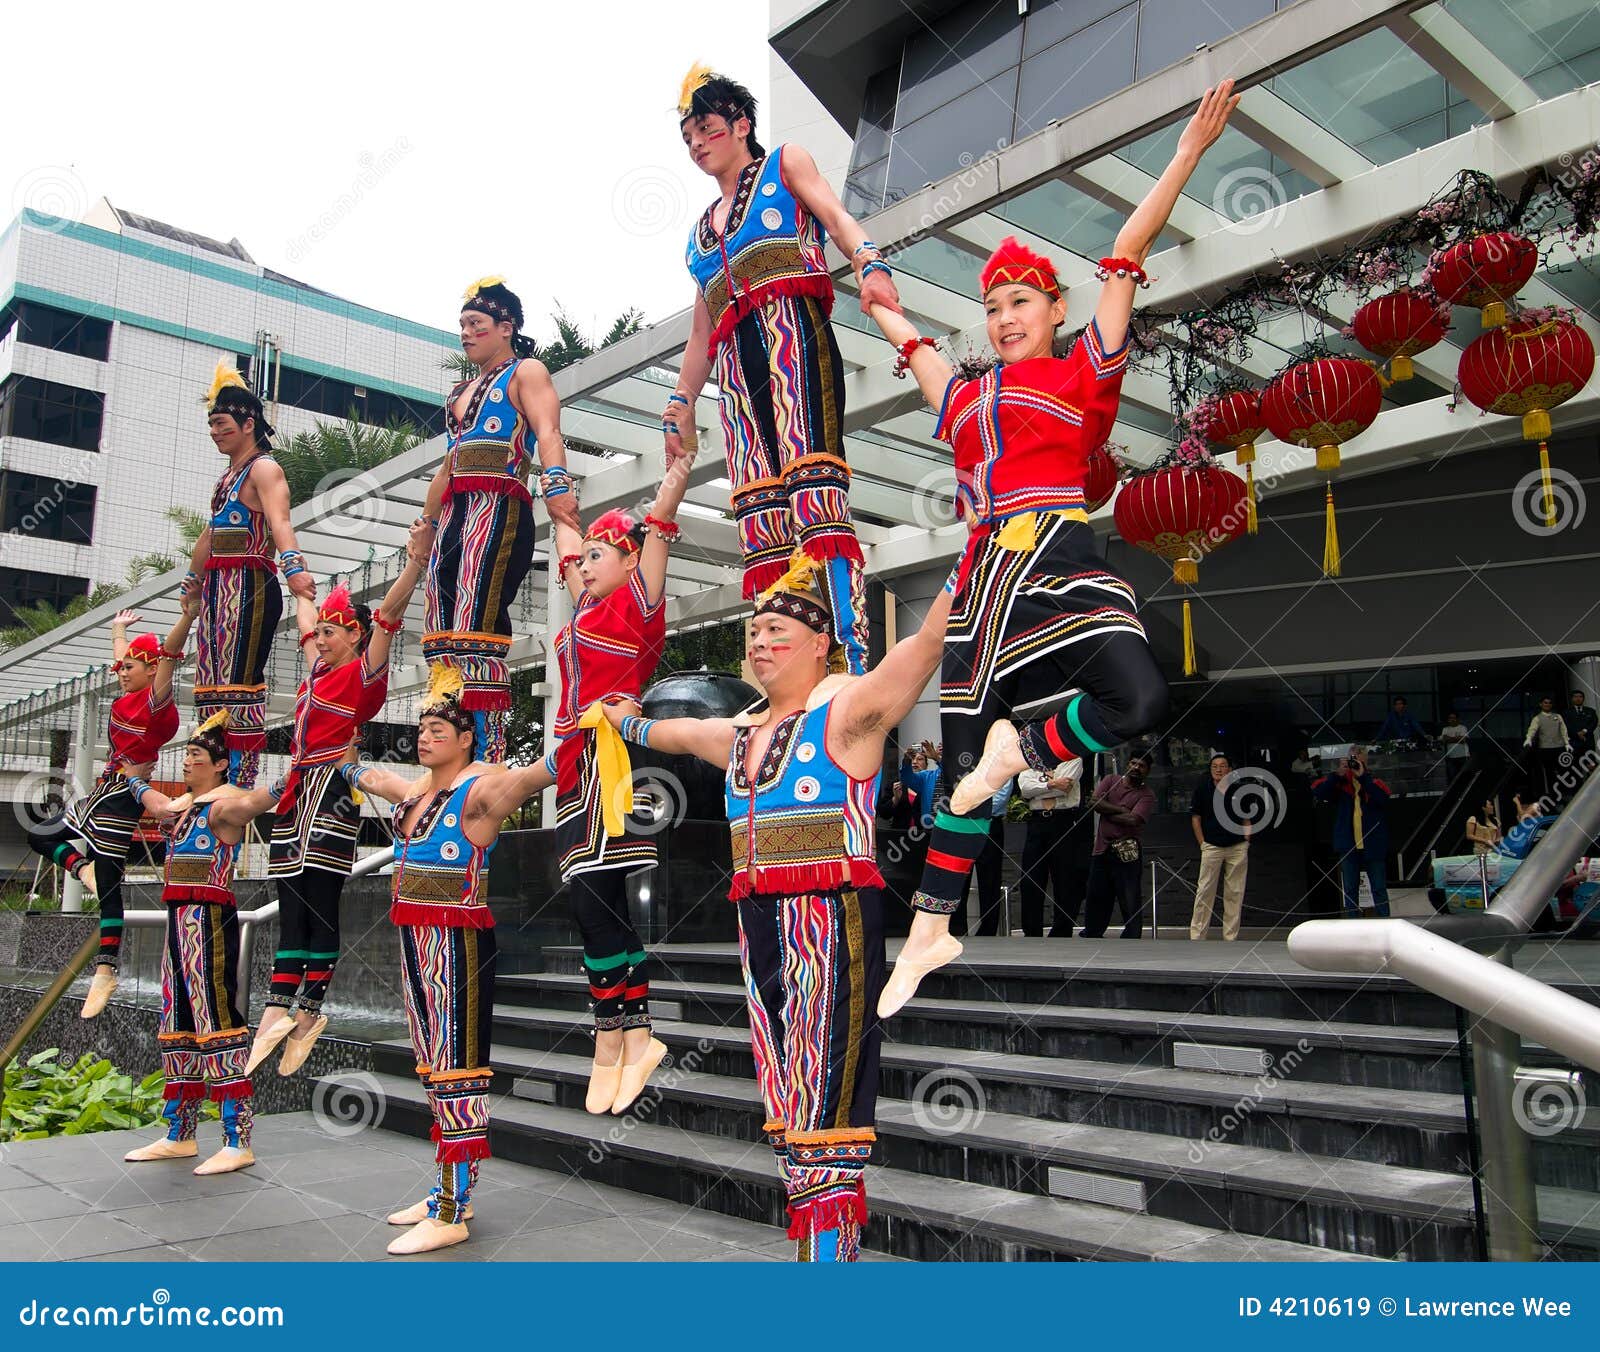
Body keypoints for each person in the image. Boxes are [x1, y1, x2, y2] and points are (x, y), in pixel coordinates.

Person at [862, 80, 1239, 1010]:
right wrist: (874, 287)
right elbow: (907, 339)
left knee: (1139, 697)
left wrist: (1184, 156)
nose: (1004, 318)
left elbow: (1128, 253)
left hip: (1063, 557)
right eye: (994, 306)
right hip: (985, 579)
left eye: (1021, 301)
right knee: (958, 779)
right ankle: (928, 931)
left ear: (1056, 308)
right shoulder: (963, 395)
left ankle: (1021, 748)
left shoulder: (1082, 373)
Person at [606, 549, 953, 1261]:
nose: (760, 644)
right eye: (754, 633)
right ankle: (817, 1250)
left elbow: (925, 644)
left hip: (830, 918)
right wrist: (623, 721)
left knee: (828, 1086)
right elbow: (672, 732)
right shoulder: (737, 734)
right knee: (786, 1084)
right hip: (760, 925)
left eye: (777, 632)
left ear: (821, 643)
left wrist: (978, 552)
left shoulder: (848, 713)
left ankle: (828, 1260)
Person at [665, 66, 902, 677]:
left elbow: (836, 216)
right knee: (762, 520)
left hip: (794, 343)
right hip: (737, 383)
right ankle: (787, 672)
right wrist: (681, 401)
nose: (697, 144)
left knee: (817, 498)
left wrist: (870, 263)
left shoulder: (783, 165)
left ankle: (849, 661)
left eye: (707, 128)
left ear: (741, 124)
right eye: (688, 137)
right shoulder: (698, 236)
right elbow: (701, 330)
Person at [341, 697, 557, 1254]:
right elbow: (375, 778)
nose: (425, 737)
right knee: (432, 1065)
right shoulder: (417, 794)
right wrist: (340, 756)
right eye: (422, 729)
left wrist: (582, 739)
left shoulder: (479, 792)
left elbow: (533, 778)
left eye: (438, 730)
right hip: (414, 939)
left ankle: (451, 1210)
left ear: (466, 740)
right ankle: (449, 1186)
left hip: (457, 942)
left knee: (457, 1069)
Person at [546, 452, 693, 1116]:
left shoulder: (638, 603)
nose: (584, 566)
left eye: (598, 555)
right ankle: (634, 1032)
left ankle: (611, 1035)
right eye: (584, 559)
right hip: (576, 763)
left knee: (594, 901)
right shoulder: (586, 606)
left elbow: (657, 532)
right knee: (598, 904)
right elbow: (565, 538)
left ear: (628, 560)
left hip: (612, 759)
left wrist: (673, 480)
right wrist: (558, 494)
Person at [250, 545, 425, 1076]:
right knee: (291, 908)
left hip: (332, 792)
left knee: (321, 906)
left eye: (331, 632)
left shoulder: (362, 677)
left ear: (355, 635)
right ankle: (276, 1009)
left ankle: (309, 1012)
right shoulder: (317, 675)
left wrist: (415, 563)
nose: (319, 639)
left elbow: (389, 613)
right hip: (296, 793)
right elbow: (306, 622)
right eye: (319, 633)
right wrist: (298, 584)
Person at [412, 278, 581, 762]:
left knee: (476, 631)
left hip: (499, 506)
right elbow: (447, 464)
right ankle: (447, 752)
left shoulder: (526, 371)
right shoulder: (459, 392)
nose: (466, 333)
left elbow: (548, 431)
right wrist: (426, 523)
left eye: (476, 324)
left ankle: (486, 760)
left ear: (505, 328)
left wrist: (557, 485)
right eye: (463, 325)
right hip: (454, 513)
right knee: (440, 633)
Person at [116, 711, 285, 1174]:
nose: (187, 762)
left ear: (220, 764)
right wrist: (132, 778)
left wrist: (294, 773)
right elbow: (153, 801)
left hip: (208, 920)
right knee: (178, 1022)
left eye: (195, 755)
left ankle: (237, 1138)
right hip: (178, 919)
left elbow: (252, 805)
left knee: (217, 1020)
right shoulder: (185, 806)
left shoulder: (221, 806)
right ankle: (180, 1133)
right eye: (187, 754)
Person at [25, 606, 193, 1016]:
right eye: (121, 667)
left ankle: (105, 969)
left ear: (151, 670)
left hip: (124, 796)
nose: (121, 672)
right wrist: (118, 629)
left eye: (130, 667)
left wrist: (187, 618)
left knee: (109, 884)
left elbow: (170, 655)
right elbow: (123, 656)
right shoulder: (129, 694)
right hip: (104, 789)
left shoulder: (155, 703)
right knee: (40, 834)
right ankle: (82, 870)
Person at [181, 362, 314, 787]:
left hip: (249, 584)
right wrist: (192, 581)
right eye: (211, 424)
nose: (214, 432)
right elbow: (210, 533)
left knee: (239, 686)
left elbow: (281, 522)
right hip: (218, 589)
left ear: (248, 424)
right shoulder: (227, 477)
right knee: (210, 688)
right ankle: (211, 780)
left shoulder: (264, 469)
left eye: (221, 424)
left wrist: (294, 569)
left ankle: (239, 783)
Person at [1080, 753, 1157, 938]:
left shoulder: (1147, 794)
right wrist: (1121, 810)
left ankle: (1132, 935)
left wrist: (1106, 811)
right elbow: (1094, 802)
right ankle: (1093, 932)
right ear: (1127, 764)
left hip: (1127, 851)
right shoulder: (1110, 780)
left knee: (1129, 895)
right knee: (1097, 893)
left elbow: (1133, 820)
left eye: (1141, 765)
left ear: (1147, 771)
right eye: (1133, 763)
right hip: (1102, 848)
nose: (1136, 768)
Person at [1312, 745, 1392, 918]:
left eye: (1357, 759)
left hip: (1373, 844)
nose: (1354, 763)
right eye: (1352, 759)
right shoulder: (1341, 784)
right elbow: (1319, 792)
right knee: (1349, 889)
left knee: (1378, 887)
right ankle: (1352, 923)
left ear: (1365, 761)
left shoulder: (1374, 782)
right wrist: (1337, 774)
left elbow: (1383, 800)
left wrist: (1363, 777)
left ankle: (1385, 921)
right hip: (1348, 845)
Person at [1018, 762, 1086, 937]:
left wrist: (1039, 788)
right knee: (1031, 878)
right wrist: (1053, 784)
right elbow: (1025, 790)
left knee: (1064, 878)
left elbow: (1065, 788)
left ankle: (1061, 930)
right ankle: (1031, 931)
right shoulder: (1031, 760)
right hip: (1037, 821)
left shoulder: (1073, 758)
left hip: (1063, 820)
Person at [1188, 754, 1249, 941]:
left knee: (1235, 892)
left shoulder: (1239, 790)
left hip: (1237, 845)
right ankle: (1197, 936)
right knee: (1205, 890)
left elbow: (1246, 817)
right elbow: (1195, 818)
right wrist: (1202, 843)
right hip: (1211, 846)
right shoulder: (1202, 790)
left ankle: (1230, 936)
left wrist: (1246, 839)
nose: (1218, 769)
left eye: (1222, 766)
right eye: (1215, 766)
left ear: (1229, 769)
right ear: (1210, 769)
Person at [957, 783, 1010, 938]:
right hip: (965, 825)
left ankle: (988, 930)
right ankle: (958, 928)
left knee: (990, 880)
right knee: (960, 879)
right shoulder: (965, 769)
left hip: (990, 824)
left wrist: (971, 806)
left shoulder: (1002, 769)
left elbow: (1000, 799)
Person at [1524, 696, 1572, 806]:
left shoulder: (1558, 716)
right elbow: (1532, 729)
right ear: (1541, 704)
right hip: (1545, 749)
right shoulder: (1537, 718)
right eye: (1545, 703)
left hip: (1559, 747)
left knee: (1563, 771)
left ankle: (1565, 794)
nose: (1548, 705)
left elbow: (1563, 730)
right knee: (1550, 774)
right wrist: (1528, 738)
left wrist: (1567, 743)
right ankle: (1554, 798)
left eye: (1549, 703)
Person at [1563, 690, 1597, 768]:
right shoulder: (1566, 712)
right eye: (1575, 697)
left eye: (1580, 697)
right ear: (1572, 699)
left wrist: (1584, 731)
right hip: (1574, 743)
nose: (1578, 699)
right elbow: (1566, 726)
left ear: (1583, 698)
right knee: (1575, 767)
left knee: (1591, 766)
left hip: (1588, 742)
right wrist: (1577, 733)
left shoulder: (1591, 711)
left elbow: (1593, 723)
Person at [1439, 712, 1470, 780]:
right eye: (1450, 718)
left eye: (1454, 718)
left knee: (1464, 777)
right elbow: (1444, 740)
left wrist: (1449, 738)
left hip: (1463, 756)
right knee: (1452, 777)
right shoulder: (1445, 729)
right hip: (1451, 757)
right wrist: (1457, 738)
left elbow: (1463, 740)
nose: (1452, 719)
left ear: (1457, 719)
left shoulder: (1463, 727)